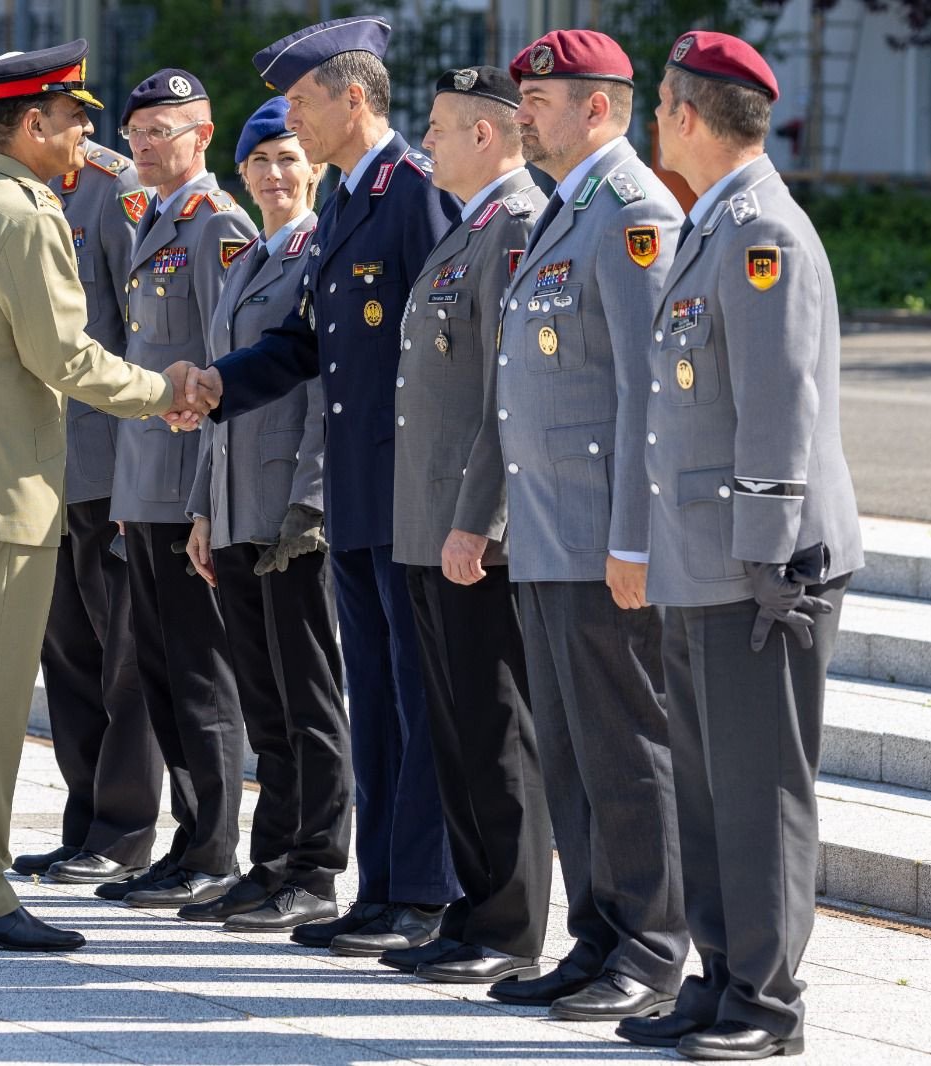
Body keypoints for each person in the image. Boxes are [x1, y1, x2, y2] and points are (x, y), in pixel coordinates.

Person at [0, 40, 212, 952]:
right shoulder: (22, 215)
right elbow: (66, 359)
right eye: (75, 121)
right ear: (32, 124)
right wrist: (168, 391)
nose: (84, 138)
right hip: (5, 489)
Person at [186, 15, 463, 957]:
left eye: (300, 101)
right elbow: (310, 344)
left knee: (417, 695)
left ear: (353, 97)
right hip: (355, 490)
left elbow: (447, 347)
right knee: (378, 697)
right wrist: (223, 385)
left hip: (408, 489)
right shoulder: (350, 197)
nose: (289, 120)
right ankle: (380, 888)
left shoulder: (413, 192)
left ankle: (424, 891)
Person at [616, 32, 862, 1060]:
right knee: (708, 786)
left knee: (757, 790)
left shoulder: (764, 233)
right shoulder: (713, 225)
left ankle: (766, 1003)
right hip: (703, 555)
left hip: (758, 567)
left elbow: (778, 403)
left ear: (682, 113)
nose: (654, 119)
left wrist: (764, 557)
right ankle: (718, 979)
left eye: (660, 103)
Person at [484, 29, 690, 1019]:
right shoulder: (568, 209)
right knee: (566, 747)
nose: (523, 113)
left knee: (623, 745)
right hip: (546, 531)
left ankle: (651, 946)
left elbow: (656, 391)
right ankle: (595, 933)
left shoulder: (633, 213)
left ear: (597, 108)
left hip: (603, 538)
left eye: (541, 99)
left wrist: (636, 539)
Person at [384, 65, 552, 986]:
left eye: (442, 128)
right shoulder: (469, 229)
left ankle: (509, 923)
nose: (428, 144)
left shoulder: (515, 226)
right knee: (452, 728)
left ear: (486, 136)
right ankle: (473, 906)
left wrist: (476, 521)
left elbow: (503, 397)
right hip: (427, 524)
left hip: (468, 532)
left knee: (494, 728)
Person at [180, 97, 351, 932]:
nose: (276, 177)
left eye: (289, 159)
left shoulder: (321, 253)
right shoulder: (249, 257)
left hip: (291, 517)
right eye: (261, 164)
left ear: (311, 166)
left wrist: (310, 504)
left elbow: (323, 392)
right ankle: (272, 859)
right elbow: (226, 395)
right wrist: (206, 511)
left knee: (310, 697)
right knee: (265, 700)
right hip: (240, 510)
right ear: (240, 175)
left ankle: (317, 867)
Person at [102, 68, 258, 911]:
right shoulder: (150, 219)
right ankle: (186, 840)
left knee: (202, 676)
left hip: (186, 489)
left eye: (162, 131)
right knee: (160, 671)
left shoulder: (215, 226)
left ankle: (215, 848)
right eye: (137, 132)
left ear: (202, 134)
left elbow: (218, 372)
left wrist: (206, 502)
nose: (144, 145)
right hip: (144, 488)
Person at [11, 129, 168, 887]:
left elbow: (144, 332)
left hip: (110, 464)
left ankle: (125, 829)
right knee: (67, 655)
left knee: (124, 659)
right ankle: (83, 824)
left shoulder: (113, 188)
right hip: (41, 469)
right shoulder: (14, 194)